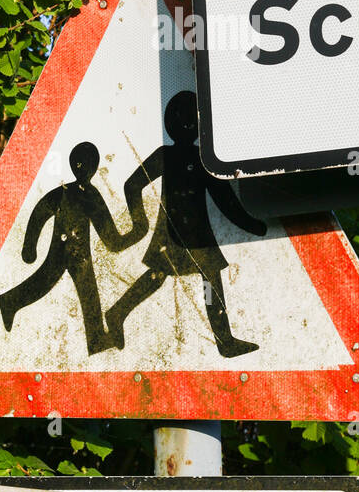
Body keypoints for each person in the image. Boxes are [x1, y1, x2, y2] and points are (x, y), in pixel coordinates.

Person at [105, 90, 267, 358]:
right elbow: (133, 185)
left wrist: (251, 225)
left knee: (199, 279)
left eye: (193, 121)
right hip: (174, 233)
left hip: (196, 234)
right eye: (185, 121)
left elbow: (224, 198)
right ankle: (116, 313)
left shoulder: (204, 159)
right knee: (171, 278)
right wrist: (140, 222)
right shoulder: (168, 156)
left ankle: (224, 341)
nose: (189, 127)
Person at [0, 141, 146, 354]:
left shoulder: (74, 192)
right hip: (73, 254)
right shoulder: (83, 194)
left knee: (66, 288)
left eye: (85, 163)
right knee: (55, 286)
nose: (82, 167)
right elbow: (41, 212)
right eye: (79, 163)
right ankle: (10, 302)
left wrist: (29, 246)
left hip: (74, 253)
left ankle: (95, 338)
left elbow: (111, 240)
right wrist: (29, 246)